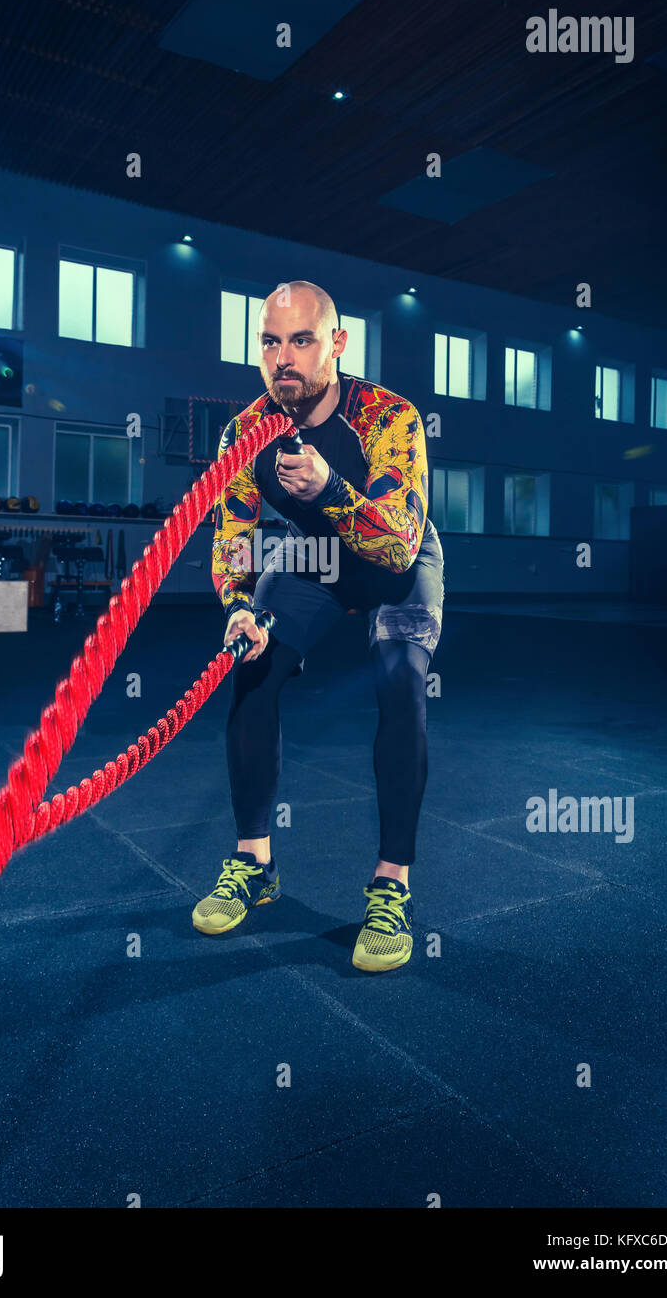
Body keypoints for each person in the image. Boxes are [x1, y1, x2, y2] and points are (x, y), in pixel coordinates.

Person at [192, 281, 444, 971]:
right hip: (312, 560)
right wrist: (238, 603)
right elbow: (235, 536)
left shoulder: (389, 417)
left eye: (302, 340)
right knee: (251, 664)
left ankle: (392, 885)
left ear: (336, 343)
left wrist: (333, 489)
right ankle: (255, 865)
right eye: (270, 342)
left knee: (401, 678)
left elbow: (395, 543)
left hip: (397, 558)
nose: (284, 359)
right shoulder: (245, 432)